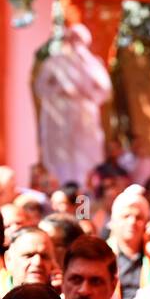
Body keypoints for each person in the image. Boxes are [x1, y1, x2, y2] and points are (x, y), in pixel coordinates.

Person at [37, 23, 113, 187]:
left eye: (77, 39)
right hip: (60, 119)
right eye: (70, 38)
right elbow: (41, 86)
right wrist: (59, 91)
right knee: (61, 156)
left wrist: (87, 94)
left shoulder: (92, 64)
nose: (73, 42)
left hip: (84, 118)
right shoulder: (54, 62)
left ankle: (84, 196)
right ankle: (61, 190)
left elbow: (104, 89)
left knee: (85, 156)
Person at [106, 185, 150, 299]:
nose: (132, 222)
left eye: (138, 217)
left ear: (147, 223)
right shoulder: (104, 254)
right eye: (126, 216)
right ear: (114, 221)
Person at [61, 235, 124, 299]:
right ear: (63, 280)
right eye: (76, 279)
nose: (84, 291)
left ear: (113, 286)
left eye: (95, 282)